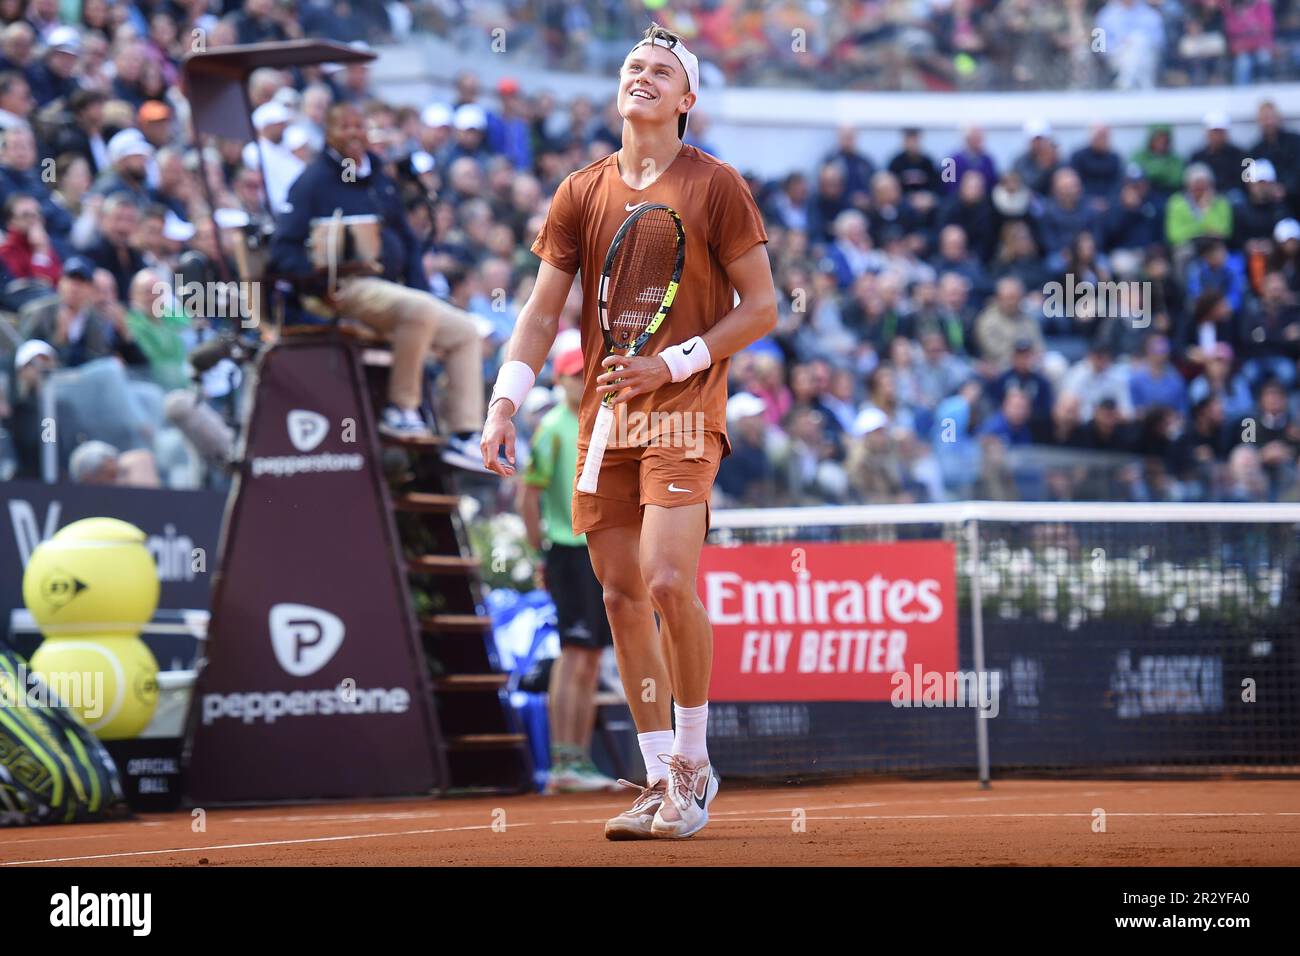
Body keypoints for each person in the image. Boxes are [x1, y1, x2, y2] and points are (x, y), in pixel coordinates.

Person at [480, 25, 775, 840]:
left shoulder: (717, 187)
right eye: (633, 66)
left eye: (662, 70)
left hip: (682, 409)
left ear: (687, 100)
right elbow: (541, 312)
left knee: (667, 582)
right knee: (618, 595)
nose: (643, 76)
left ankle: (692, 765)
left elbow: (762, 309)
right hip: (601, 420)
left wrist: (673, 364)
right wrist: (505, 399)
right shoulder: (579, 191)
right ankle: (655, 782)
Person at [269, 103, 487, 471]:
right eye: (345, 125)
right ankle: (402, 408)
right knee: (419, 311)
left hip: (388, 290)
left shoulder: (380, 178)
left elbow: (409, 242)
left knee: (465, 330)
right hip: (342, 289)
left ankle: (464, 434)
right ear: (329, 132)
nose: (354, 133)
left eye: (360, 125)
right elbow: (281, 253)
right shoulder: (312, 182)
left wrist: (422, 289)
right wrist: (321, 273)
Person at [520, 347, 619, 794]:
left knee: (590, 656)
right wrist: (540, 550)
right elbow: (529, 493)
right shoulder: (554, 429)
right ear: (560, 381)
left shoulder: (598, 422)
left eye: (590, 375)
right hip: (567, 551)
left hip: (593, 550)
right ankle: (563, 761)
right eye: (576, 376)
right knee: (574, 654)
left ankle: (576, 760)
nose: (585, 382)